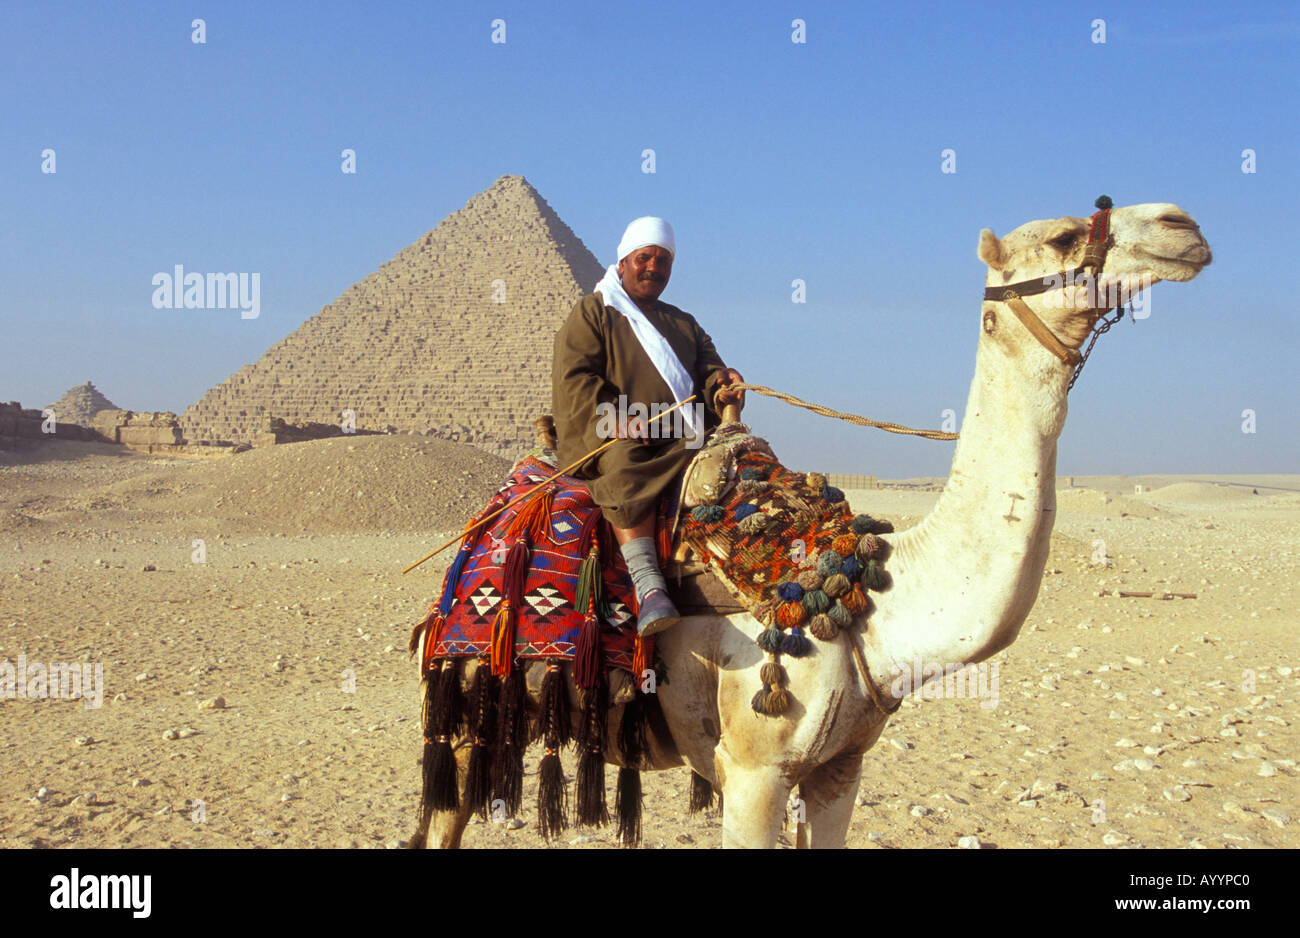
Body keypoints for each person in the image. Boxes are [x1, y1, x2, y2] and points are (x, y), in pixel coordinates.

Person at [552, 217, 744, 635]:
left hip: (681, 433)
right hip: (614, 433)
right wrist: (616, 417)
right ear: (623, 262)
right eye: (644, 258)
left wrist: (722, 388)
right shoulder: (594, 312)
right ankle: (649, 585)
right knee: (623, 463)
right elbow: (576, 378)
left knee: (737, 462)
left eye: (663, 261)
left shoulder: (684, 323)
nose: (653, 268)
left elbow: (708, 370)